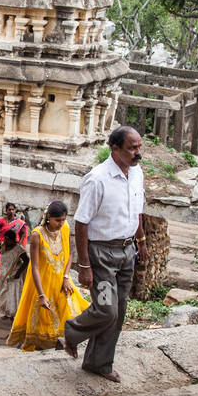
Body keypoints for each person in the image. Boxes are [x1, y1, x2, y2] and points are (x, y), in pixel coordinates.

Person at [62, 126, 146, 382]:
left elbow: (138, 210)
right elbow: (82, 223)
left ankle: (99, 363)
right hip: (103, 256)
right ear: (115, 149)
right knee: (107, 309)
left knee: (119, 311)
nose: (137, 153)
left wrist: (141, 241)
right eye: (132, 148)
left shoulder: (136, 173)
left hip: (127, 251)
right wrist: (84, 265)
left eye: (139, 147)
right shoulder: (97, 179)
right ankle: (71, 332)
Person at [7, 200, 90, 351]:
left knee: (72, 313)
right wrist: (41, 295)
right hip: (42, 284)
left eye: (63, 220)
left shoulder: (65, 228)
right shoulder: (37, 235)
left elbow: (69, 253)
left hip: (62, 281)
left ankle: (65, 347)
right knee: (42, 322)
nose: (61, 223)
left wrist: (66, 277)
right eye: (57, 220)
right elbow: (35, 268)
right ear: (48, 217)